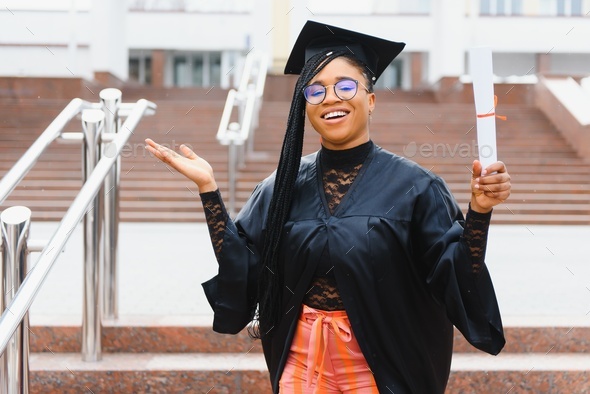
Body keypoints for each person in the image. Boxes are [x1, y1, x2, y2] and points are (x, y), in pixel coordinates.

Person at [145, 20, 511, 394]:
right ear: (304, 105)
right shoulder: (279, 188)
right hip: (302, 358)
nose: (331, 98)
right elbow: (244, 269)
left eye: (345, 85)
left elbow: (455, 276)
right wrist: (209, 189)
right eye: (315, 90)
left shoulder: (415, 188)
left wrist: (479, 212)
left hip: (383, 360)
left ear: (370, 100)